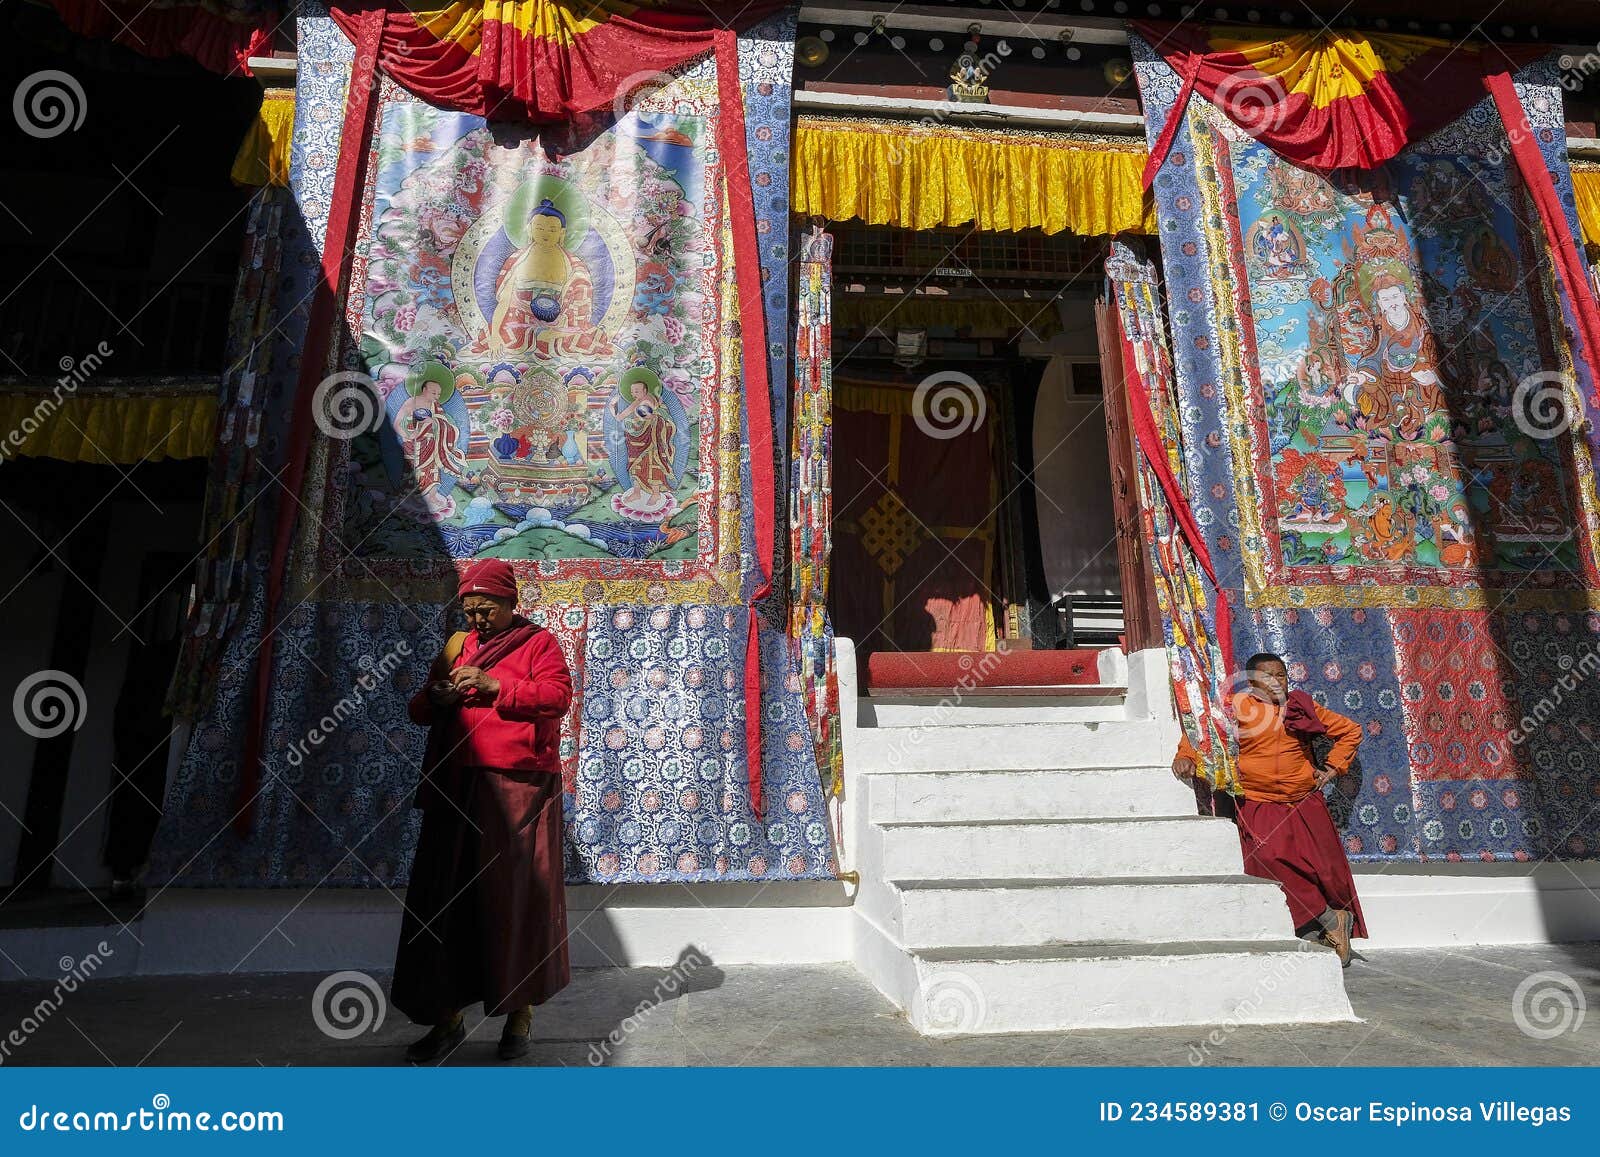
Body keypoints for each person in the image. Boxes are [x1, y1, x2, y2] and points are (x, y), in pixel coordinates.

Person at [392, 558, 575, 1061]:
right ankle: (445, 1018)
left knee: (513, 901)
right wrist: (439, 694)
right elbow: (418, 710)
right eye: (470, 610)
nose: (478, 620)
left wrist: (498, 688)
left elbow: (558, 696)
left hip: (517, 789)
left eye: (486, 609)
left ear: (510, 603)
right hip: (457, 788)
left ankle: (519, 1016)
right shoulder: (456, 647)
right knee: (444, 902)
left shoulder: (538, 643)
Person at [1171, 652, 1367, 966]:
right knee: (1267, 861)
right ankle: (1329, 920)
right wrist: (1186, 756)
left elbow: (1350, 731)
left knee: (1323, 869)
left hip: (1303, 799)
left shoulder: (1301, 706)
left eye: (1281, 675)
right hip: (1258, 800)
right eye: (1267, 676)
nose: (1276, 682)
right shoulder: (1238, 707)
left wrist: (1332, 767)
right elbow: (1201, 733)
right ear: (1251, 683)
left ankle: (1319, 929)